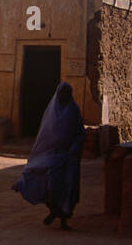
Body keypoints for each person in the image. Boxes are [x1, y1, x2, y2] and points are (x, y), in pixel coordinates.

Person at [12, 81, 85, 230]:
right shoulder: (51, 113)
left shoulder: (73, 111)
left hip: (69, 157)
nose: (64, 96)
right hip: (51, 156)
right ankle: (53, 209)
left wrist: (74, 149)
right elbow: (44, 136)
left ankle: (63, 219)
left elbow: (80, 132)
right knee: (48, 185)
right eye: (62, 93)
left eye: (67, 93)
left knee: (68, 188)